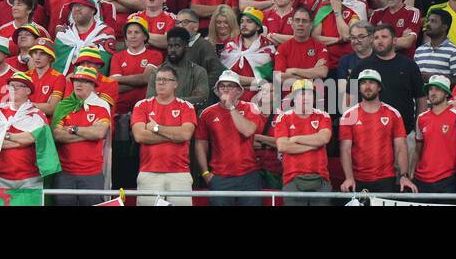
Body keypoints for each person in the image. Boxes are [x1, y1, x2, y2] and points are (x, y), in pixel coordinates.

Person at [194, 70, 265, 206]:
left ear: (239, 91)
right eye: (222, 86)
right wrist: (205, 173)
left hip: (249, 175)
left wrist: (231, 107)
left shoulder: (251, 107)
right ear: (217, 90)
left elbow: (248, 131)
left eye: (230, 86)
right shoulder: (207, 113)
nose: (225, 89)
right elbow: (200, 144)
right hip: (220, 177)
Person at [339, 68, 415, 193]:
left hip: (386, 179)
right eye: (363, 83)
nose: (367, 86)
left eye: (371, 82)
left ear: (379, 87)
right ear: (359, 88)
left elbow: (401, 147)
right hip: (358, 179)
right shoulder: (348, 115)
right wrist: (349, 178)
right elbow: (345, 149)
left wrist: (403, 176)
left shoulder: (393, 113)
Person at [131, 64, 197, 205]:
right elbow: (140, 136)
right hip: (149, 172)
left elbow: (185, 135)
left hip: (179, 173)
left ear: (176, 84)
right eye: (158, 79)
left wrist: (156, 128)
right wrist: (173, 135)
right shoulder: (141, 105)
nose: (161, 82)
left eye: (166, 80)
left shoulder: (186, 106)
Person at [51, 64, 112, 205]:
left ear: (93, 85)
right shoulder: (63, 106)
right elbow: (57, 135)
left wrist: (72, 129)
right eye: (76, 80)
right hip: (65, 173)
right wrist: (87, 132)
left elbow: (99, 133)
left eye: (84, 81)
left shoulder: (101, 106)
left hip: (92, 173)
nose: (79, 84)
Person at [274, 78, 333, 205]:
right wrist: (313, 146)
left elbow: (324, 138)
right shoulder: (283, 117)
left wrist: (296, 139)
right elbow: (283, 146)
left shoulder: (323, 115)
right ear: (293, 98)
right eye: (300, 93)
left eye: (309, 93)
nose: (305, 97)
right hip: (292, 179)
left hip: (321, 178)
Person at [412, 75, 456, 194]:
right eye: (430, 89)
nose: (433, 93)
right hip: (421, 179)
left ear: (446, 93)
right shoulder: (421, 117)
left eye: (438, 89)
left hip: (447, 179)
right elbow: (417, 150)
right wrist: (411, 174)